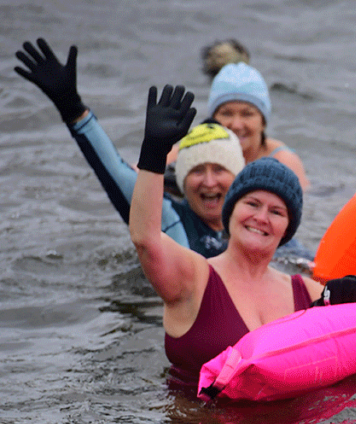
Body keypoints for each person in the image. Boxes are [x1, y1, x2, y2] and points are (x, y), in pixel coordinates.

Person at [128, 83, 324, 391]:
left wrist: (350, 291)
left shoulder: (309, 293)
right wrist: (153, 154)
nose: (261, 217)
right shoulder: (194, 277)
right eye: (252, 204)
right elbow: (146, 239)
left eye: (276, 212)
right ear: (230, 210)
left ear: (288, 228)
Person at [13, 38, 247, 258]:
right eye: (197, 171)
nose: (208, 182)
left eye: (219, 169)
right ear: (182, 180)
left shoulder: (251, 222)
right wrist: (72, 109)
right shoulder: (168, 217)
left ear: (238, 178)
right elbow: (115, 171)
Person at [205, 62, 309, 190]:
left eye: (247, 114)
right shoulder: (190, 154)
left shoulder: (283, 163)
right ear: (213, 119)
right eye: (226, 113)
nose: (236, 125)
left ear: (263, 122)